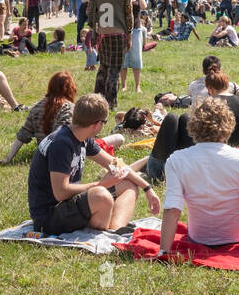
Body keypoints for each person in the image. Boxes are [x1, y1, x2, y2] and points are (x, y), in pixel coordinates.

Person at [28, 92, 159, 235]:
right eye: (105, 122)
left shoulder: (82, 136)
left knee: (129, 184)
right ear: (97, 124)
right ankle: (100, 229)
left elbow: (117, 164)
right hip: (48, 218)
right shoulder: (62, 144)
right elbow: (61, 193)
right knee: (101, 196)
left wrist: (147, 188)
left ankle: (114, 230)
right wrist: (101, 184)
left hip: (67, 205)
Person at [158, 97, 239, 255]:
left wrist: (164, 252)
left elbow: (172, 210)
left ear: (193, 126)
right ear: (229, 125)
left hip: (198, 239)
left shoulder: (176, 160)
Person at [0, 71, 90, 165]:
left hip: (42, 153)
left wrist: (8, 158)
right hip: (62, 156)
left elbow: (23, 135)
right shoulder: (69, 108)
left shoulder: (37, 107)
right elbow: (63, 136)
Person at [88, 0, 134, 108]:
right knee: (114, 70)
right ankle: (111, 103)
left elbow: (91, 12)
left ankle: (97, 98)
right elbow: (129, 15)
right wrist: (129, 35)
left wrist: (94, 33)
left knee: (103, 67)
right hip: (118, 33)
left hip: (102, 33)